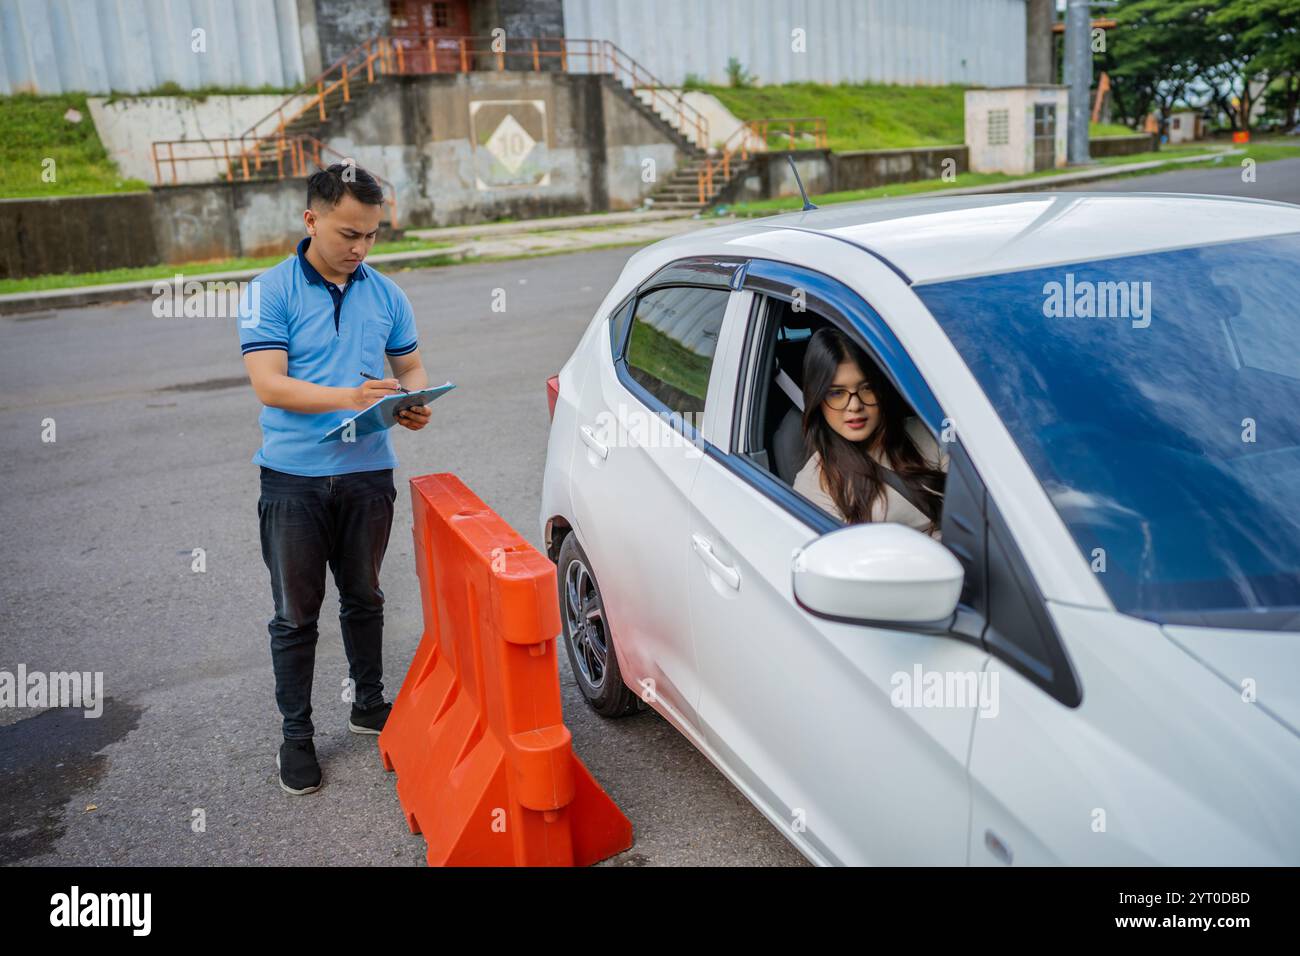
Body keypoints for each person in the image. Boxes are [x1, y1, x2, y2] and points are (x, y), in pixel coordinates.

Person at [237, 163, 430, 795]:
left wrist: (412, 401)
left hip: (368, 473)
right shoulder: (270, 291)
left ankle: (368, 705)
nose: (360, 248)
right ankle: (296, 737)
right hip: (293, 479)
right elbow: (269, 382)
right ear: (311, 220)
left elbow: (410, 365)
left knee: (366, 596)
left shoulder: (385, 292)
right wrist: (348, 396)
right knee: (295, 615)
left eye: (372, 235)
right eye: (349, 233)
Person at [792, 327, 948, 536]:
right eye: (837, 393)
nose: (854, 405)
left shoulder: (931, 433)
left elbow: (974, 509)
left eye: (866, 388)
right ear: (818, 399)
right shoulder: (814, 485)